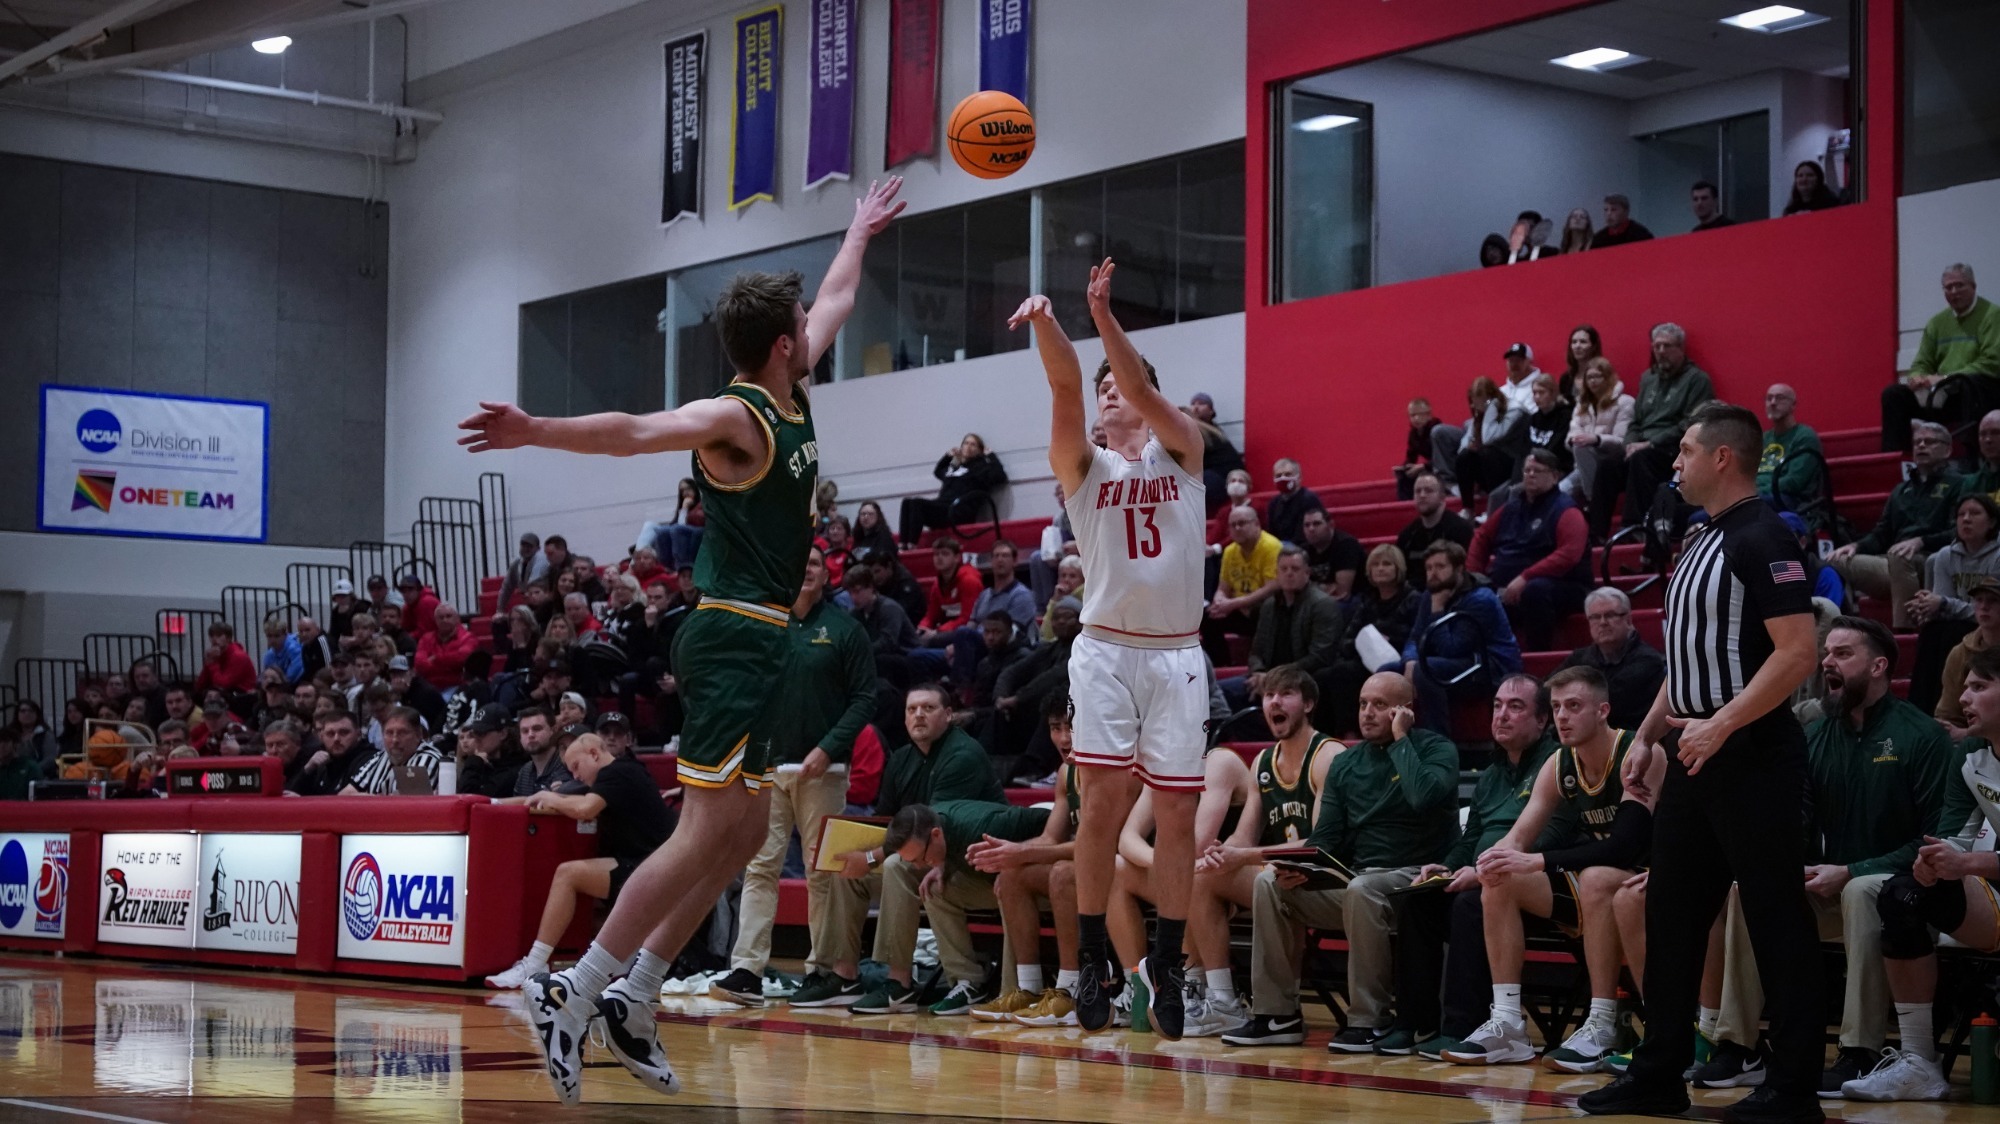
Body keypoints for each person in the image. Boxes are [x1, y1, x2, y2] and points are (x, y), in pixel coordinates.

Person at [455, 175, 907, 1106]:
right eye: (799, 326)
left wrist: (858, 229)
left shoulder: (791, 385)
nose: (812, 329)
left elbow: (834, 297)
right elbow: (633, 431)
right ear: (781, 348)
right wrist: (535, 428)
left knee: (744, 831)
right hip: (733, 638)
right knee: (707, 830)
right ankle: (576, 993)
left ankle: (640, 994)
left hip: (766, 640)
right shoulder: (736, 416)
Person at [1578, 401, 1824, 1122]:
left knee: (1777, 918)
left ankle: (1793, 1089)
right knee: (1671, 913)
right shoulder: (1700, 541)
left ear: (1723, 458)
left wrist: (1719, 725)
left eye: (1685, 451)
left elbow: (1798, 654)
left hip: (1752, 754)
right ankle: (1659, 1073)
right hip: (1694, 750)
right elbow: (1687, 662)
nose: (1674, 462)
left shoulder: (1763, 535)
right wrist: (1650, 733)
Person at [1012, 257, 1209, 1040]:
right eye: (1101, 391)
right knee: (1099, 806)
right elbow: (1064, 386)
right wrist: (1049, 324)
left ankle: (1167, 961)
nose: (1104, 395)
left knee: (1179, 814)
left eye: (1115, 386)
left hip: (1176, 653)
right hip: (1104, 651)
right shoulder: (1082, 467)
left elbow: (1141, 385)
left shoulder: (1184, 447)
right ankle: (1091, 955)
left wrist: (1103, 318)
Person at [1700, 616, 1956, 1099]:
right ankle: (1740, 1045)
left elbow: (1935, 838)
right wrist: (1782, 863)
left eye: (1842, 654)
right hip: (1832, 885)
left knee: (1862, 890)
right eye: (1826, 654)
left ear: (1879, 666)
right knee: (1748, 889)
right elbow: (1794, 819)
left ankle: (1860, 1050)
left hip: (1907, 894)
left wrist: (1852, 870)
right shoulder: (1816, 735)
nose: (1827, 664)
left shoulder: (1921, 736)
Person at [1223, 671, 1459, 1050]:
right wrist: (1305, 870)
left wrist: (1401, 740)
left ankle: (1370, 1019)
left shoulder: (1436, 749)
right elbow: (1327, 839)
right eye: (1363, 703)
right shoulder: (1348, 765)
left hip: (1419, 881)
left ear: (1406, 712)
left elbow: (1423, 796)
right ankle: (1277, 1015)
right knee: (1268, 883)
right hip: (1358, 881)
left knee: (1362, 889)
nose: (1367, 713)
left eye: (1380, 705)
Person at [1446, 666, 1662, 1072]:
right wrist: (1494, 859)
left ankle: (1603, 1023)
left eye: (1574, 706)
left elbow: (1625, 848)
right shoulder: (1559, 763)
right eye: (1558, 707)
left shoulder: (1638, 752)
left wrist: (1540, 860)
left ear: (1603, 710)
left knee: (1598, 876)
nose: (1562, 716)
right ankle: (1508, 1023)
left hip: (1653, 880)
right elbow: (1520, 835)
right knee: (1502, 875)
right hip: (1598, 889)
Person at [709, 545, 877, 1007]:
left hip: (824, 771)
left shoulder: (845, 630)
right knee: (759, 867)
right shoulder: (768, 629)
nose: (805, 569)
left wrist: (828, 748)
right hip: (769, 770)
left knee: (823, 873)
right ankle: (746, 969)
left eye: (815, 564)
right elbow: (751, 697)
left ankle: (822, 969)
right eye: (798, 562)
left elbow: (866, 698)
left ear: (827, 575)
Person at [1840, 645, 2000, 1101]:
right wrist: (1933, 863)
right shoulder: (1970, 754)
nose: (1964, 698)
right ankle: (1918, 1062)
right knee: (1902, 893)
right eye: (1964, 687)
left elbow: (1968, 858)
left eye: (1979, 686)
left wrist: (1966, 864)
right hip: (1993, 897)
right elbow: (1954, 837)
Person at [1379, 675, 1558, 1058]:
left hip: (1533, 884)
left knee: (1469, 904)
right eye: (1497, 705)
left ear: (1542, 720)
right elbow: (1469, 838)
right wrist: (1444, 866)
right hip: (1484, 877)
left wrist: (1480, 872)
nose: (1502, 715)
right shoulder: (1491, 775)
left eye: (1516, 706)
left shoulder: (1554, 764)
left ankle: (1464, 1026)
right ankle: (1413, 1023)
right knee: (1420, 899)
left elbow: (1552, 837)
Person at [795, 683, 1003, 1010]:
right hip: (925, 858)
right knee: (845, 870)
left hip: (970, 862)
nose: (918, 714)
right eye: (911, 709)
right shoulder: (902, 759)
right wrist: (836, 848)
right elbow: (883, 823)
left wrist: (869, 856)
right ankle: (844, 975)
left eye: (928, 708)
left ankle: (899, 981)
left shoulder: (963, 755)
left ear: (948, 715)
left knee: (895, 865)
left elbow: (934, 830)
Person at [1186, 667, 1341, 1035]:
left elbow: (1316, 843)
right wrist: (1223, 853)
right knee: (1201, 875)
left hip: (1323, 874)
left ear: (1308, 703)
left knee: (1267, 880)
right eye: (1269, 694)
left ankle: (1280, 1008)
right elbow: (1245, 835)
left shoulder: (1327, 754)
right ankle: (1223, 1000)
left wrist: (1244, 856)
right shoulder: (1262, 762)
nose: (1274, 701)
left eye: (1285, 693)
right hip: (1278, 871)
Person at [486, 734, 675, 989]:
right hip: (642, 866)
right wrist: (490, 804)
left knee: (568, 874)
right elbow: (552, 800)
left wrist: (552, 798)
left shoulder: (620, 771)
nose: (574, 776)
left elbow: (583, 809)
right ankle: (616, 964)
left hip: (651, 869)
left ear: (594, 754)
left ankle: (535, 964)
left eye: (576, 767)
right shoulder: (607, 781)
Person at [1104, 747, 1255, 1032]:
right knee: (1116, 868)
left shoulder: (1219, 761)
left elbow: (1197, 844)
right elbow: (1127, 838)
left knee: (1186, 873)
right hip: (1195, 874)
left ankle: (1203, 993)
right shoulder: (1164, 766)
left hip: (1234, 875)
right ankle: (1137, 988)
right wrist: (1158, 865)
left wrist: (1168, 868)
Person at [867, 799, 1054, 1014]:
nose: (918, 866)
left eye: (921, 858)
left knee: (1009, 891)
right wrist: (942, 865)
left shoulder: (991, 827)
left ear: (936, 835)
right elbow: (953, 847)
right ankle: (968, 983)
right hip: (993, 881)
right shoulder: (935, 826)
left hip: (1048, 884)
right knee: (935, 890)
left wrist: (1019, 866)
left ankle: (1013, 990)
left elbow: (1052, 822)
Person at [967, 695, 1085, 1026]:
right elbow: (1050, 838)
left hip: (1124, 868)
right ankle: (1029, 988)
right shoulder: (1067, 772)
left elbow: (1094, 847)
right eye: (1055, 728)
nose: (1064, 738)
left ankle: (1070, 991)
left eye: (1071, 727)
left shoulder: (1111, 770)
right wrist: (1006, 853)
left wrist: (1021, 852)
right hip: (1089, 867)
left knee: (1062, 873)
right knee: (1012, 876)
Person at [1829, 420, 1962, 628]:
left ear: (1948, 450)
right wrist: (1856, 546)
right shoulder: (1901, 490)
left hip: (1931, 559)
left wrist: (1921, 541)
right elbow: (1881, 534)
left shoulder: (1960, 483)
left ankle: (1904, 630)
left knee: (1899, 556)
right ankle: (1844, 628)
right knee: (1834, 560)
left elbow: (1959, 532)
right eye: (1917, 442)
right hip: (1893, 563)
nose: (1921, 446)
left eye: (1929, 441)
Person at [1468, 448, 1592, 649]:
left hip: (1562, 587)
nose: (1531, 474)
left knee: (1535, 590)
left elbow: (1568, 555)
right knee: (1473, 592)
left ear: (1554, 476)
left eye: (1538, 470)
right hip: (1509, 585)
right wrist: (1473, 574)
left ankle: (1539, 654)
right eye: (1527, 471)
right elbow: (1481, 536)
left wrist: (1526, 577)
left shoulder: (1567, 510)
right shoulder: (1511, 508)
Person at [1403, 540, 1522, 733]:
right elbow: (1415, 638)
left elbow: (1452, 649)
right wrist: (1409, 661)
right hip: (1456, 664)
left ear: (1459, 569)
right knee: (1388, 672)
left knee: (1425, 671)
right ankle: (1392, 740)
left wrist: (1438, 610)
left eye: (1440, 566)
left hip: (1489, 667)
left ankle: (1438, 744)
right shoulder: (1430, 595)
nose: (1433, 573)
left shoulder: (1480, 599)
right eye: (1429, 568)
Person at [1881, 264, 2000, 453]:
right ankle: (1897, 460)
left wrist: (1947, 378)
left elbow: (1992, 362)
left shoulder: (1993, 315)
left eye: (1959, 285)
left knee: (1972, 382)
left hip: (1977, 392)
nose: (1954, 291)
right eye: (1948, 287)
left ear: (1973, 286)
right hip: (1942, 394)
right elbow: (1922, 362)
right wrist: (1918, 377)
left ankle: (1969, 456)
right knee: (1893, 394)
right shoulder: (1937, 323)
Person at [1907, 492, 2000, 714]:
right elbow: (1942, 604)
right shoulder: (1944, 556)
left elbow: (1993, 606)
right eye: (1961, 514)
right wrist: (1928, 607)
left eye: (1974, 513)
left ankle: (1948, 709)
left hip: (1990, 623)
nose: (1966, 519)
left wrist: (1943, 604)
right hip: (1959, 620)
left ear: (1992, 522)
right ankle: (1918, 711)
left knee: (1952, 632)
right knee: (1932, 630)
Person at [1324, 545, 1422, 737]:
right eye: (1375, 564)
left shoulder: (1413, 598)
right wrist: (1366, 644)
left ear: (1398, 568)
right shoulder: (1367, 600)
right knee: (1331, 673)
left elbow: (1416, 637)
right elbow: (1347, 639)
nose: (1380, 568)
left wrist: (1389, 638)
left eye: (1386, 564)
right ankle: (1346, 733)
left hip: (1399, 662)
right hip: (1366, 660)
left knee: (1348, 673)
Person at [1229, 546, 1343, 712]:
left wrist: (1275, 677)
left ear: (1307, 573)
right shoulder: (1268, 605)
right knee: (1225, 691)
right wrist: (1258, 673)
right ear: (1277, 573)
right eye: (1284, 569)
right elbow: (1256, 651)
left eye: (1295, 569)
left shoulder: (1323, 605)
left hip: (1303, 677)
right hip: (1267, 677)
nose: (1289, 573)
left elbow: (1320, 656)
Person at [1557, 587, 1668, 730]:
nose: (1603, 622)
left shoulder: (1648, 661)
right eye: (1595, 617)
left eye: (1610, 615)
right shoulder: (1579, 658)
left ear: (1628, 619)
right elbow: (1548, 689)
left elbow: (1610, 703)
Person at [899, 433, 1009, 547]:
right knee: (907, 502)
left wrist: (991, 456)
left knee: (917, 503)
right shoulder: (955, 467)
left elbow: (1000, 476)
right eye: (966, 443)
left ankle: (912, 545)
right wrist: (948, 456)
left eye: (973, 445)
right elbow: (938, 471)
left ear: (979, 450)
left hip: (957, 510)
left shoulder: (981, 469)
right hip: (942, 506)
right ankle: (903, 545)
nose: (968, 447)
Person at [1205, 505, 1280, 666]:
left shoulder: (1271, 546)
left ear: (1256, 524)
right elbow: (1223, 588)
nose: (1237, 528)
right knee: (1207, 616)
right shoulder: (1230, 551)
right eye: (1233, 525)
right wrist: (1219, 601)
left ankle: (1266, 664)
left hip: (1264, 609)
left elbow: (1272, 587)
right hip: (1239, 608)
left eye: (1242, 523)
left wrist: (1233, 604)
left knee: (1266, 607)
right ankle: (1221, 665)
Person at [1569, 356, 1634, 522]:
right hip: (1582, 464)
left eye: (1598, 376)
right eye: (1589, 377)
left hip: (1611, 462)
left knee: (1581, 448)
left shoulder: (1624, 402)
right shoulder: (1581, 404)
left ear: (1608, 377)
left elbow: (1622, 441)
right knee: (1559, 491)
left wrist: (1597, 439)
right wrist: (1574, 439)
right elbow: (1572, 433)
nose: (1593, 381)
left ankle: (1593, 501)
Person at [1938, 576, 2000, 736]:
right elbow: (1948, 713)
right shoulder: (1960, 653)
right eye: (1979, 600)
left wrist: (1966, 734)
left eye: (1993, 600)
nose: (1984, 606)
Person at [1757, 383, 1825, 515]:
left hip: (1789, 500)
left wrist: (1756, 492)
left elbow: (1794, 482)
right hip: (1757, 497)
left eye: (1780, 398)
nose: (1773, 403)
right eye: (1769, 398)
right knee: (1708, 513)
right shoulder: (1764, 438)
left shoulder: (1805, 436)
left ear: (1793, 405)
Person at [1395, 470, 1474, 575]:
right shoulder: (1407, 536)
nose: (1422, 495)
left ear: (1442, 497)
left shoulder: (1461, 530)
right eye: (1418, 491)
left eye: (1429, 491)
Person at [292, 710, 378, 796]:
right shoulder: (320, 761)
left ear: (358, 735)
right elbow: (289, 794)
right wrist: (307, 770)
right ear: (321, 737)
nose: (336, 739)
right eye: (330, 734)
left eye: (344, 732)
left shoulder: (369, 760)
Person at [1187, 391, 1246, 509]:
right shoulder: (1213, 431)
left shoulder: (1205, 433)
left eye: (1201, 403)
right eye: (1193, 404)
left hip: (1220, 478)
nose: (1196, 407)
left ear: (1211, 410)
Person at [456, 705, 528, 798]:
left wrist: (473, 762)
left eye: (481, 733)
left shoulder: (516, 771)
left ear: (503, 734)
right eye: (474, 733)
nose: (476, 738)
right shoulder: (484, 764)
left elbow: (470, 801)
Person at [638, 478, 705, 569]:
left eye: (688, 488)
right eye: (682, 490)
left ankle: (680, 567)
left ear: (695, 489)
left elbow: (681, 528)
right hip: (683, 531)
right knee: (656, 528)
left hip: (698, 532)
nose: (685, 492)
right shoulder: (683, 509)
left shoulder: (701, 505)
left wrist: (684, 508)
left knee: (675, 529)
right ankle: (660, 565)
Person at [1298, 507, 1364, 600]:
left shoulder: (1346, 545)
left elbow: (1342, 593)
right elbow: (1296, 587)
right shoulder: (1303, 549)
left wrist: (1311, 589)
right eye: (1307, 525)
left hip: (1352, 602)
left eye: (1317, 523)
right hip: (1319, 601)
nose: (1311, 529)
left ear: (1331, 525)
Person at [1264, 457, 1324, 546]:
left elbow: (1307, 535)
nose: (1283, 478)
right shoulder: (1274, 503)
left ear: (1299, 478)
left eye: (1288, 474)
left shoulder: (1309, 500)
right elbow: (1272, 534)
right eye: (1278, 476)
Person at [194, 621, 258, 702]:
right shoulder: (217, 654)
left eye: (219, 635)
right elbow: (199, 686)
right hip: (229, 694)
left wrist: (212, 663)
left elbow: (223, 684)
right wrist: (208, 662)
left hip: (242, 697)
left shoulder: (238, 656)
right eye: (211, 636)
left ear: (228, 638)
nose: (214, 639)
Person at [1394, 397, 1442, 500]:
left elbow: (1443, 459)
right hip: (1429, 467)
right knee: (1404, 476)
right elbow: (1411, 457)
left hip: (1443, 467)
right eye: (1413, 415)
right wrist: (1403, 468)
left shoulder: (1437, 430)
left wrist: (1423, 466)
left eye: (1420, 414)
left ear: (1429, 415)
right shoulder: (1413, 434)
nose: (1416, 418)